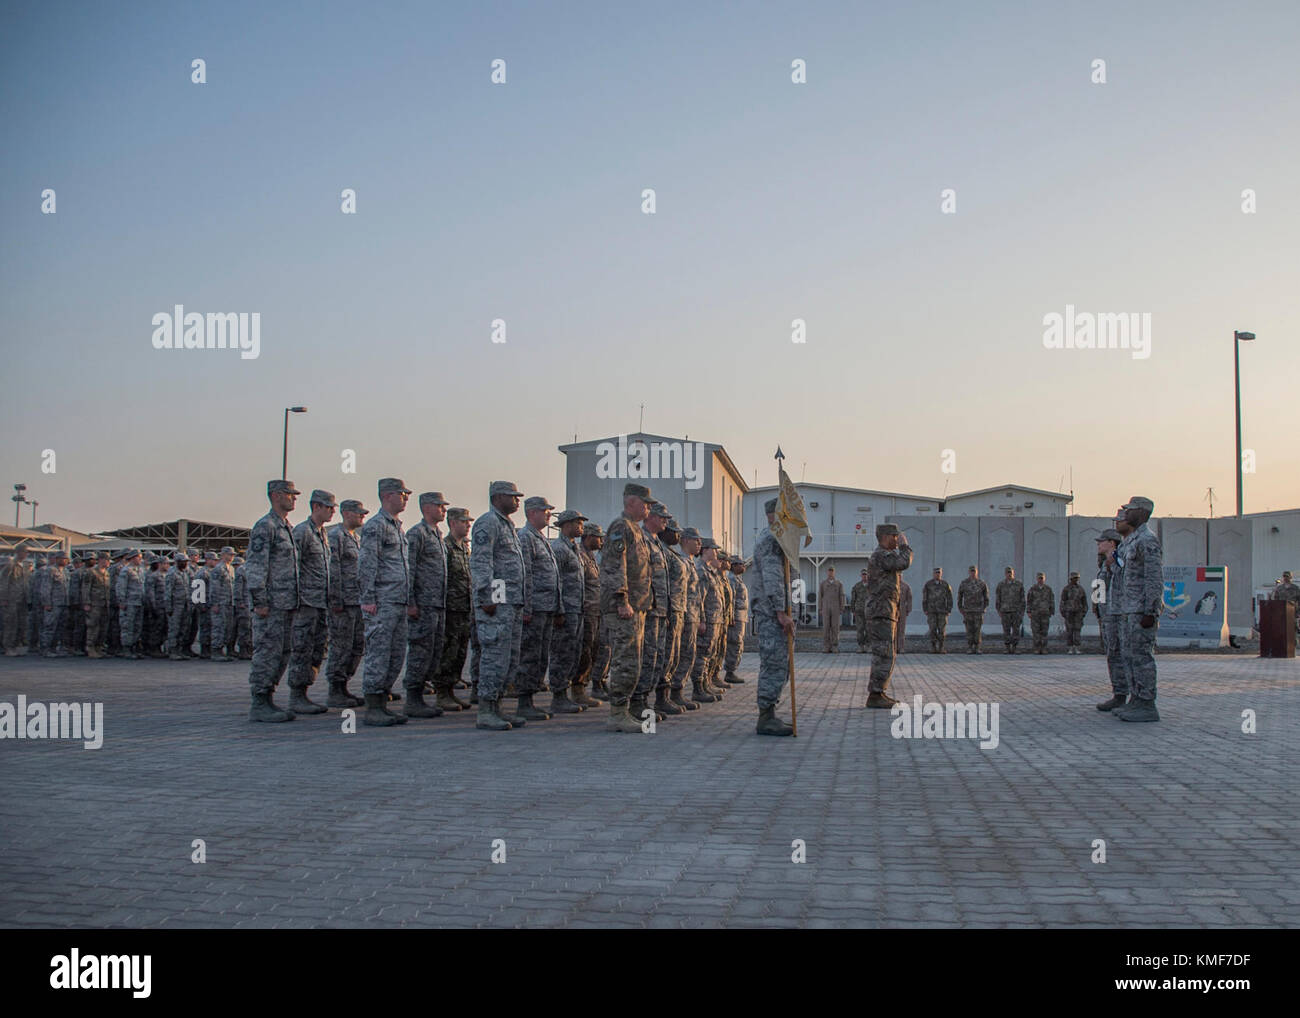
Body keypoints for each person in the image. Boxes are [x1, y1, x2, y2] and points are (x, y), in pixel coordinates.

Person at [470, 481, 529, 731]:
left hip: (511, 602)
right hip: (498, 602)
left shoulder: (508, 525)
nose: (517, 501)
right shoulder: (488, 522)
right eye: (512, 497)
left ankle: (498, 706)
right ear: (498, 497)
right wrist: (490, 598)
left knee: (509, 657)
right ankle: (486, 709)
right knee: (494, 655)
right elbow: (483, 562)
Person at [245, 480, 302, 723]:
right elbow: (256, 566)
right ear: (277, 495)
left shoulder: (286, 527)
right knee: (268, 651)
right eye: (290, 495)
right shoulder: (265, 526)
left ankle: (269, 696)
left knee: (282, 652)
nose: (294, 499)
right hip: (272, 603)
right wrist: (260, 600)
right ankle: (259, 701)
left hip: (286, 601)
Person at [359, 478, 415, 726]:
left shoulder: (397, 527)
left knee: (395, 654)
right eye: (402, 493)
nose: (406, 497)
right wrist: (368, 598)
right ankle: (373, 706)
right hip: (381, 602)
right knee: (379, 654)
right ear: (387, 495)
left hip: (398, 601)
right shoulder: (376, 526)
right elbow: (367, 563)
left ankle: (382, 700)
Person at [600, 482, 653, 732]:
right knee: (624, 660)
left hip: (637, 607)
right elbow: (613, 565)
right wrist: (622, 600)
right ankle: (617, 713)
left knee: (634, 661)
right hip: (624, 608)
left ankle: (626, 708)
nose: (648, 509)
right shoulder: (620, 527)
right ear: (631, 502)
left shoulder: (636, 530)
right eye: (646, 504)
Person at [1111, 497, 1163, 722]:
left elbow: (1154, 577)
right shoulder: (1131, 541)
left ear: (1142, 513)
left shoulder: (1147, 540)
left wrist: (1151, 610)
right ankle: (1136, 699)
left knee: (1141, 656)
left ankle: (1147, 703)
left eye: (1129, 510)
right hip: (1128, 609)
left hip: (1141, 610)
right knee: (1129, 655)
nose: (1125, 513)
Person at [289, 490, 336, 715]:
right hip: (306, 602)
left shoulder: (322, 534)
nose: (332, 511)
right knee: (302, 648)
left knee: (317, 649)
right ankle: (296, 695)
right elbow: (292, 567)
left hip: (321, 602)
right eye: (329, 507)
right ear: (316, 506)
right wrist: (295, 599)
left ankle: (304, 691)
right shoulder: (302, 532)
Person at [751, 498, 795, 735]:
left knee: (779, 663)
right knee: (774, 664)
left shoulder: (778, 538)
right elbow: (773, 577)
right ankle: (766, 717)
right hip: (772, 614)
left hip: (774, 613)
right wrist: (781, 612)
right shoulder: (772, 540)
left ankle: (769, 713)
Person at [515, 496, 561, 721]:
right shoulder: (525, 538)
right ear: (531, 513)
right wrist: (527, 607)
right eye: (544, 511)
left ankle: (531, 698)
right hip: (534, 609)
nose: (548, 515)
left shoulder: (540, 538)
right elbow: (526, 574)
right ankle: (524, 702)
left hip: (547, 608)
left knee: (542, 657)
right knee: (530, 656)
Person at [406, 491, 450, 718]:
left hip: (437, 604)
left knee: (433, 652)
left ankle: (420, 693)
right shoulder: (417, 534)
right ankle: (413, 698)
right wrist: (410, 602)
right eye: (439, 506)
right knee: (420, 651)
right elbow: (409, 569)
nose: (444, 510)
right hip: (422, 605)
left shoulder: (437, 534)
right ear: (426, 507)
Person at [324, 499, 368, 708]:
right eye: (359, 513)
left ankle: (344, 685)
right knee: (341, 645)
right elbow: (333, 571)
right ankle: (335, 688)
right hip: (343, 603)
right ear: (346, 513)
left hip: (356, 601)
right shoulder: (336, 537)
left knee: (356, 645)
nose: (362, 516)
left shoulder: (355, 538)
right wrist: (336, 600)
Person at [864, 524, 913, 708]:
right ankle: (875, 694)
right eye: (894, 536)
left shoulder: (886, 555)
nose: (897, 539)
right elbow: (904, 562)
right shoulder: (881, 555)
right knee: (883, 653)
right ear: (884, 537)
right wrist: (905, 546)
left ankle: (879, 691)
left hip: (886, 610)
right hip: (880, 611)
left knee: (887, 653)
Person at [632, 502, 671, 722]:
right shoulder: (641, 539)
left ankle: (645, 701)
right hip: (647, 610)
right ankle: (637, 702)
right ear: (650, 518)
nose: (665, 520)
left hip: (659, 611)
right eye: (662, 516)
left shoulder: (657, 543)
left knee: (655, 658)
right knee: (645, 657)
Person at [433, 507, 474, 711]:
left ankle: (451, 691)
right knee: (448, 651)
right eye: (464, 521)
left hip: (464, 607)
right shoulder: (446, 547)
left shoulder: (464, 548)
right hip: (450, 608)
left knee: (460, 652)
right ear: (452, 523)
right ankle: (442, 693)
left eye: (469, 522)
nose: (468, 525)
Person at [548, 508, 589, 714]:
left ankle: (566, 693)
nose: (581, 527)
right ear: (566, 525)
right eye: (577, 523)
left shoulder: (574, 548)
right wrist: (559, 608)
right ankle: (558, 696)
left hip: (577, 609)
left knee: (573, 652)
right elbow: (555, 581)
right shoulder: (559, 549)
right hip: (566, 609)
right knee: (561, 653)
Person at [668, 526, 703, 711]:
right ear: (685, 540)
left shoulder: (690, 563)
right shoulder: (680, 561)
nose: (699, 544)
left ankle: (678, 691)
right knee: (679, 655)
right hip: (682, 614)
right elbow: (676, 591)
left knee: (688, 654)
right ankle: (673, 692)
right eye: (696, 540)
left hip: (691, 615)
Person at [570, 522, 605, 707]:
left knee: (593, 651)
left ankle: (583, 686)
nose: (601, 541)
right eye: (598, 537)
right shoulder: (579, 555)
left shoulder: (591, 556)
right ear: (588, 537)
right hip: (585, 611)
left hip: (595, 610)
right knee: (583, 651)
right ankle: (577, 689)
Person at [1093, 528, 1128, 710]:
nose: (1098, 544)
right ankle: (1118, 693)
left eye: (1102, 541)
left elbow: (1125, 578)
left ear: (1112, 543)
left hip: (1118, 614)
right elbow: (1098, 586)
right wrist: (1096, 605)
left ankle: (1126, 695)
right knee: (1112, 655)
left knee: (1121, 654)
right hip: (1106, 615)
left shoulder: (1120, 559)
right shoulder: (1103, 562)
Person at [209, 547, 237, 662]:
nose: (231, 557)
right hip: (220, 603)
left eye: (233, 555)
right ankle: (216, 651)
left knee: (227, 627)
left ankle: (223, 650)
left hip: (228, 603)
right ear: (223, 555)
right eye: (229, 555)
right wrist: (215, 603)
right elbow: (214, 588)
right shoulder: (218, 569)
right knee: (218, 626)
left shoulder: (230, 568)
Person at [116, 548, 145, 658]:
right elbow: (121, 587)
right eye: (138, 557)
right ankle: (126, 648)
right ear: (133, 558)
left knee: (137, 626)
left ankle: (135, 647)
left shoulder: (141, 570)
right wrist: (122, 601)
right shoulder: (126, 570)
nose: (140, 560)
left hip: (139, 602)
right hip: (129, 602)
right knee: (128, 626)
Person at [724, 555, 749, 683]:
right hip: (736, 617)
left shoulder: (737, 579)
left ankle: (732, 670)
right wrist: (731, 617)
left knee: (738, 644)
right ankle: (730, 671)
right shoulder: (732, 580)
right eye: (740, 564)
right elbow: (730, 600)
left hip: (741, 617)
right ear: (733, 566)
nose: (743, 566)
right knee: (734, 643)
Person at [2, 548, 31, 656]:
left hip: (22, 599)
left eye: (27, 552)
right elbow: (4, 582)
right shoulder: (10, 565)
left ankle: (16, 646)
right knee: (10, 624)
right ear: (18, 552)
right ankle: (8, 647)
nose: (26, 554)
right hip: (11, 599)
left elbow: (27, 583)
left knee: (21, 623)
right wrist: (3, 598)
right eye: (24, 552)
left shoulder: (25, 566)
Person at [82, 552, 110, 658]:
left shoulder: (106, 573)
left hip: (104, 603)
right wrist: (86, 602)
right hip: (94, 604)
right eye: (106, 560)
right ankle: (90, 648)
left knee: (103, 627)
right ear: (101, 560)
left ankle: (99, 647)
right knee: (93, 626)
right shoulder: (91, 572)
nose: (108, 562)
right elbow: (85, 588)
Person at [165, 551, 192, 660]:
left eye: (186, 561)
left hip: (185, 604)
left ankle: (179, 649)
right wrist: (169, 607)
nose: (185, 563)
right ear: (177, 562)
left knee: (183, 628)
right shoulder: (172, 573)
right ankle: (172, 650)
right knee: (174, 628)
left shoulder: (185, 573)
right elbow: (168, 592)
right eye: (183, 562)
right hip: (176, 605)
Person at [957, 566, 989, 653]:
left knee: (977, 629)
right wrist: (960, 608)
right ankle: (970, 647)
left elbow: (986, 597)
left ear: (977, 572)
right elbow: (960, 596)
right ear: (969, 572)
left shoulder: (981, 583)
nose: (973, 573)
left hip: (978, 611)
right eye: (971, 571)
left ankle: (977, 647)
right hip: (967, 610)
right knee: (969, 629)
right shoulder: (964, 583)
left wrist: (984, 608)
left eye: (974, 571)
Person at [994, 567, 1025, 653]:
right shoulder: (1001, 585)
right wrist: (998, 610)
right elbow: (998, 598)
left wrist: (1022, 611)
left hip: (1016, 611)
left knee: (1016, 630)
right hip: (1005, 611)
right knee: (1006, 630)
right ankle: (1007, 648)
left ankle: (1015, 648)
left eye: (1010, 572)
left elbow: (1022, 599)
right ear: (1005, 574)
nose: (1009, 574)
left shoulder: (1018, 584)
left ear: (1013, 573)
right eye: (1008, 573)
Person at [922, 567, 953, 653]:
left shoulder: (945, 584)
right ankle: (933, 647)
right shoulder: (928, 584)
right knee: (932, 629)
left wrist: (949, 609)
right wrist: (925, 609)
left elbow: (949, 598)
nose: (937, 574)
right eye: (936, 573)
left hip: (942, 611)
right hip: (931, 611)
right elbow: (925, 597)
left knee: (942, 630)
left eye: (939, 573)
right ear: (933, 574)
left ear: (941, 573)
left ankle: (941, 647)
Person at [1059, 571, 1088, 655]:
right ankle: (1070, 647)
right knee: (1069, 630)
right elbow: (1063, 601)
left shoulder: (1081, 589)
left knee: (1077, 630)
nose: (1076, 580)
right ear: (1071, 579)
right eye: (1075, 578)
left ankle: (1077, 647)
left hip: (1078, 612)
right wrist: (1063, 612)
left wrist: (1084, 612)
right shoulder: (1066, 589)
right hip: (1069, 612)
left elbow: (1084, 602)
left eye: (1077, 578)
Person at [1026, 572, 1055, 654]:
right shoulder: (1032, 589)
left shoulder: (1048, 589)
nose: (1040, 580)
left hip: (1045, 613)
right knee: (1036, 632)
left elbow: (1051, 600)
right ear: (1037, 579)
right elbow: (1029, 601)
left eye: (1042, 578)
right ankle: (1036, 648)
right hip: (1035, 614)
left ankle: (1044, 648)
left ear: (1044, 579)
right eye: (1039, 578)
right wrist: (1028, 611)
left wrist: (1051, 611)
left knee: (1044, 632)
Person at [819, 567, 845, 652]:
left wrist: (842, 607)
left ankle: (835, 646)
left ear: (834, 572)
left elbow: (842, 596)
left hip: (835, 607)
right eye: (829, 571)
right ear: (827, 572)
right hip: (826, 607)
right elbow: (820, 596)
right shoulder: (823, 583)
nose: (830, 573)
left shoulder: (839, 583)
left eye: (832, 571)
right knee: (826, 627)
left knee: (835, 627)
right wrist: (820, 608)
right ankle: (826, 646)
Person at [849, 569, 869, 653]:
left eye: (866, 574)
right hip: (859, 611)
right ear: (861, 576)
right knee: (860, 629)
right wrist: (853, 609)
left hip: (869, 611)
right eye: (863, 575)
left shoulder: (872, 586)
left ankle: (868, 646)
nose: (864, 576)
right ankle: (861, 646)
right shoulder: (857, 586)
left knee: (869, 629)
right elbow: (853, 599)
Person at [895, 579, 912, 654]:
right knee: (893, 631)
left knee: (901, 630)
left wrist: (908, 609)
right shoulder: (892, 585)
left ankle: (901, 647)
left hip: (902, 611)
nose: (899, 576)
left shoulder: (906, 586)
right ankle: (894, 647)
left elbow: (909, 598)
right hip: (893, 611)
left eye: (900, 575)